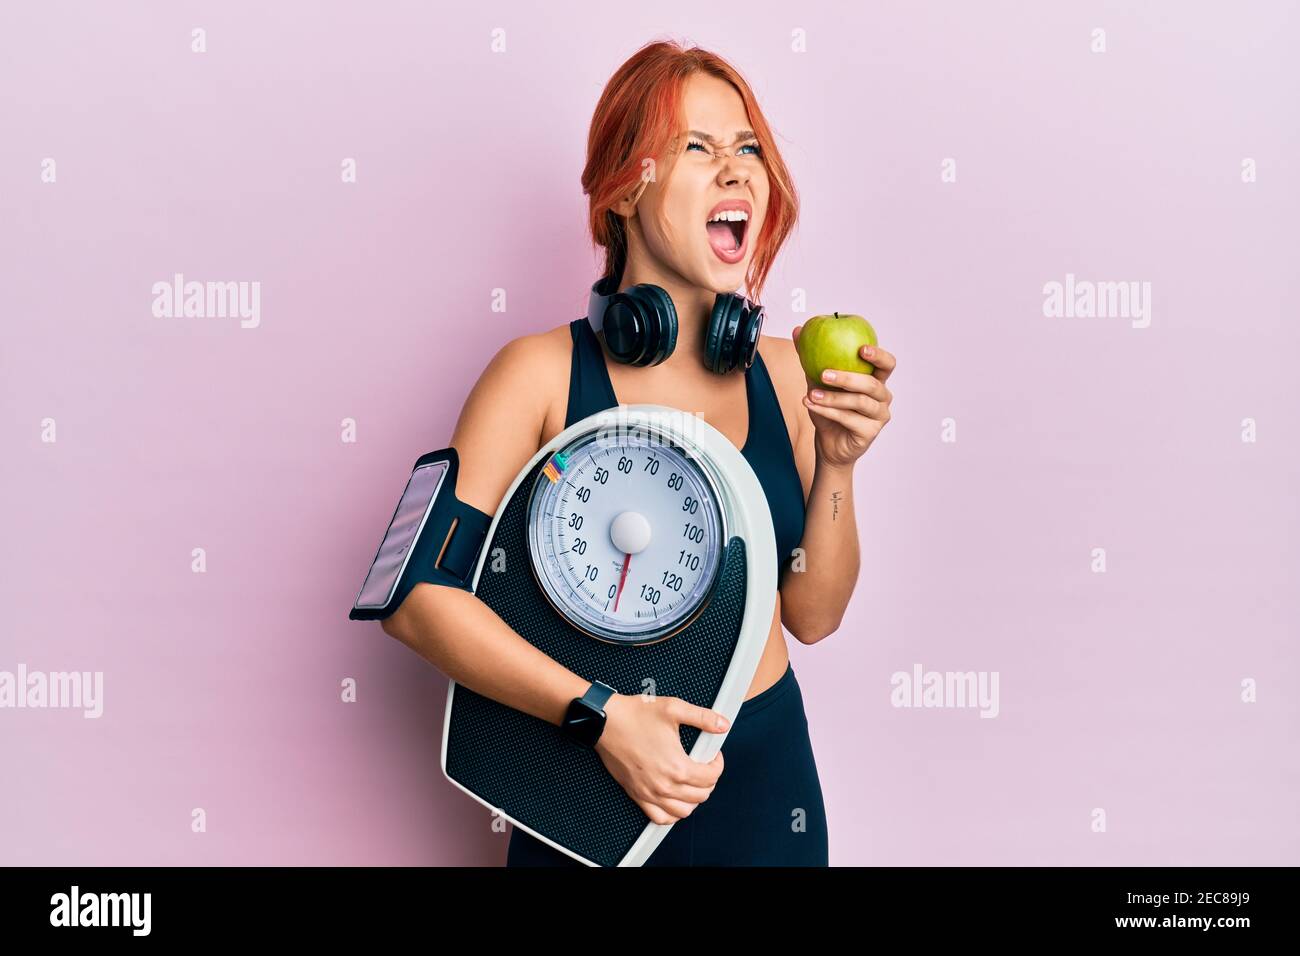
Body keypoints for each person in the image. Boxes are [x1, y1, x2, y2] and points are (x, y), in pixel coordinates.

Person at [382, 39, 896, 866]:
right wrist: (599, 716)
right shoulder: (539, 374)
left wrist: (838, 462)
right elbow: (416, 598)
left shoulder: (785, 370)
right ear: (625, 187)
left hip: (765, 784)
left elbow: (814, 616)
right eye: (699, 147)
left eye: (749, 149)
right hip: (583, 783)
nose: (737, 172)